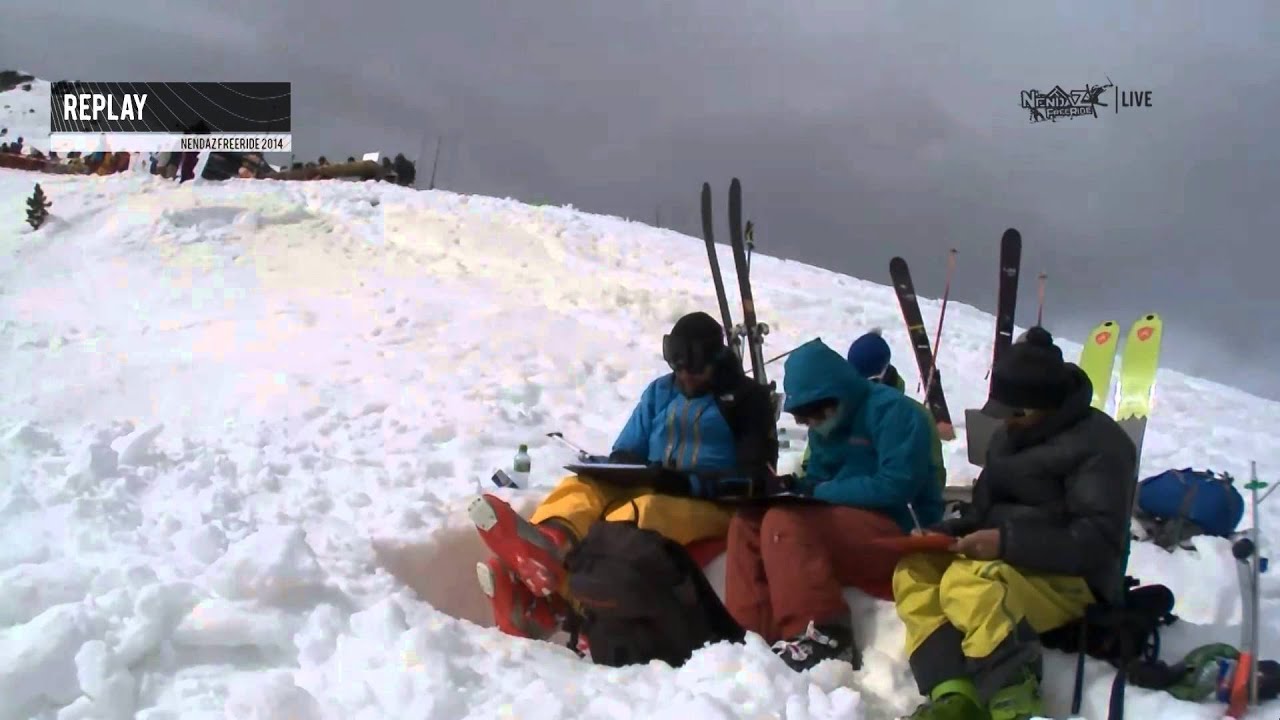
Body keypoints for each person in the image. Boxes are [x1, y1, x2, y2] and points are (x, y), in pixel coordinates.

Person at [470, 311, 779, 641]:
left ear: (717, 360)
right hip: (655, 485)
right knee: (581, 486)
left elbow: (755, 476)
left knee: (637, 513)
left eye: (695, 369)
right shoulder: (660, 392)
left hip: (711, 504)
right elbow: (629, 448)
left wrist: (687, 481)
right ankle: (548, 543)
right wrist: (620, 470)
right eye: (678, 368)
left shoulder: (747, 401)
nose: (685, 377)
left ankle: (564, 605)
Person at [892, 327, 1137, 720]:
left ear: (1044, 405)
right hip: (1010, 562)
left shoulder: (1101, 446)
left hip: (1075, 582)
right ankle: (952, 693)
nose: (1006, 421)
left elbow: (1098, 541)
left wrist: (1005, 543)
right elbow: (981, 514)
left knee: (969, 581)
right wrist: (943, 535)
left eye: (1014, 412)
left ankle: (1012, 694)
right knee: (913, 570)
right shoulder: (1009, 438)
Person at [724, 337, 943, 672]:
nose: (810, 423)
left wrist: (822, 493)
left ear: (837, 395)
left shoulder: (894, 412)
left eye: (813, 413)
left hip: (899, 526)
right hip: (844, 525)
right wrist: (794, 487)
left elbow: (897, 485)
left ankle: (824, 633)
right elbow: (820, 480)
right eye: (802, 417)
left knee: (785, 523)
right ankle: (747, 635)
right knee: (748, 521)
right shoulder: (826, 426)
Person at [797, 329, 946, 493]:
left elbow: (930, 476)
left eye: (873, 381)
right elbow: (813, 463)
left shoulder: (910, 415)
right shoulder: (835, 413)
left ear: (886, 374)